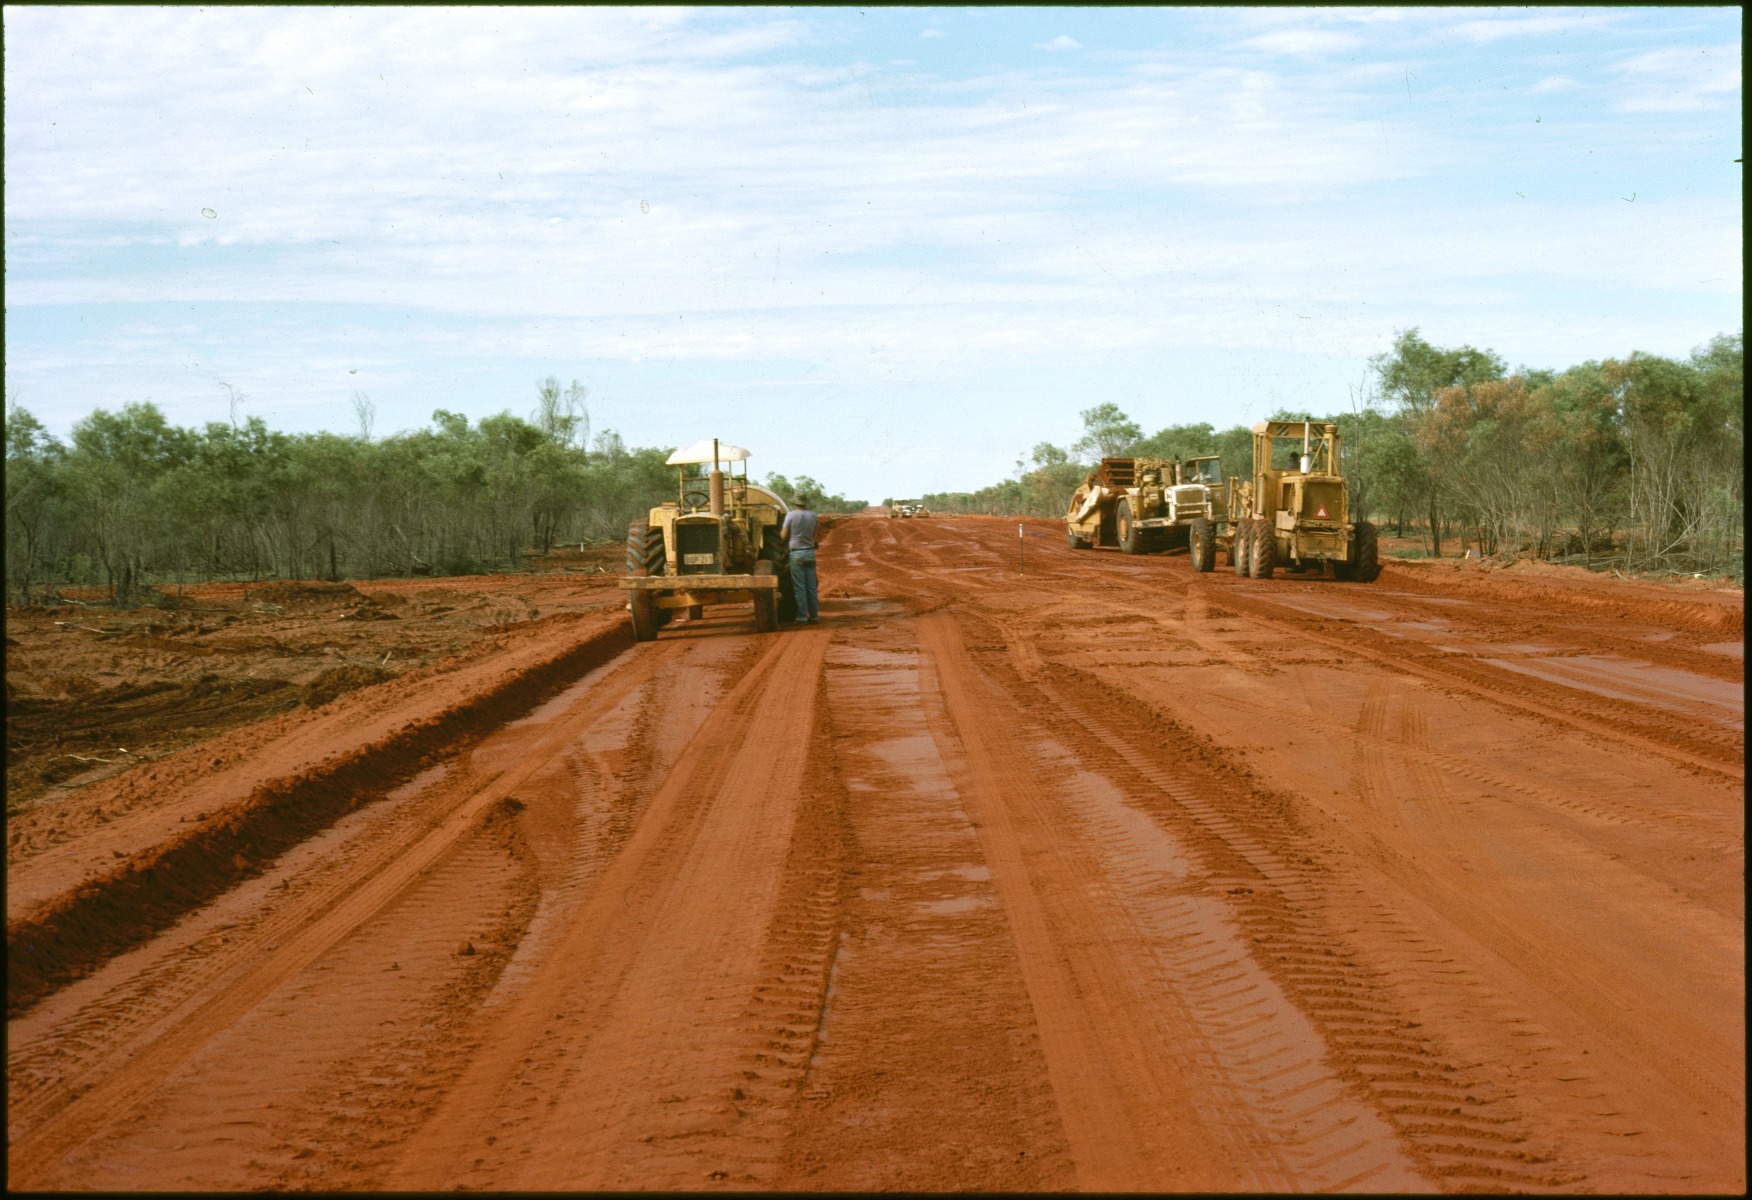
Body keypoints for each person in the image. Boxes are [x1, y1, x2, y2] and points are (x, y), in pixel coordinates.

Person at [780, 494, 821, 624]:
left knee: (799, 587)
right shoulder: (813, 515)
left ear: (794, 503)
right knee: (811, 588)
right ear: (805, 503)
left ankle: (802, 617)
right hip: (810, 553)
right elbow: (814, 535)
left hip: (796, 554)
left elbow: (783, 536)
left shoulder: (791, 515)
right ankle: (814, 616)